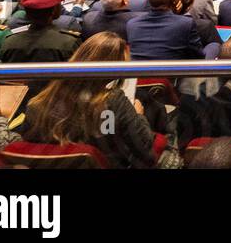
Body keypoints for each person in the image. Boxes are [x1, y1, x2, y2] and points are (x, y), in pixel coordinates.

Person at [17, 32, 158, 168]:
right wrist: (138, 115)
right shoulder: (114, 102)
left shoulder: (39, 101)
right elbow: (144, 147)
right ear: (114, 72)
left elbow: (28, 148)